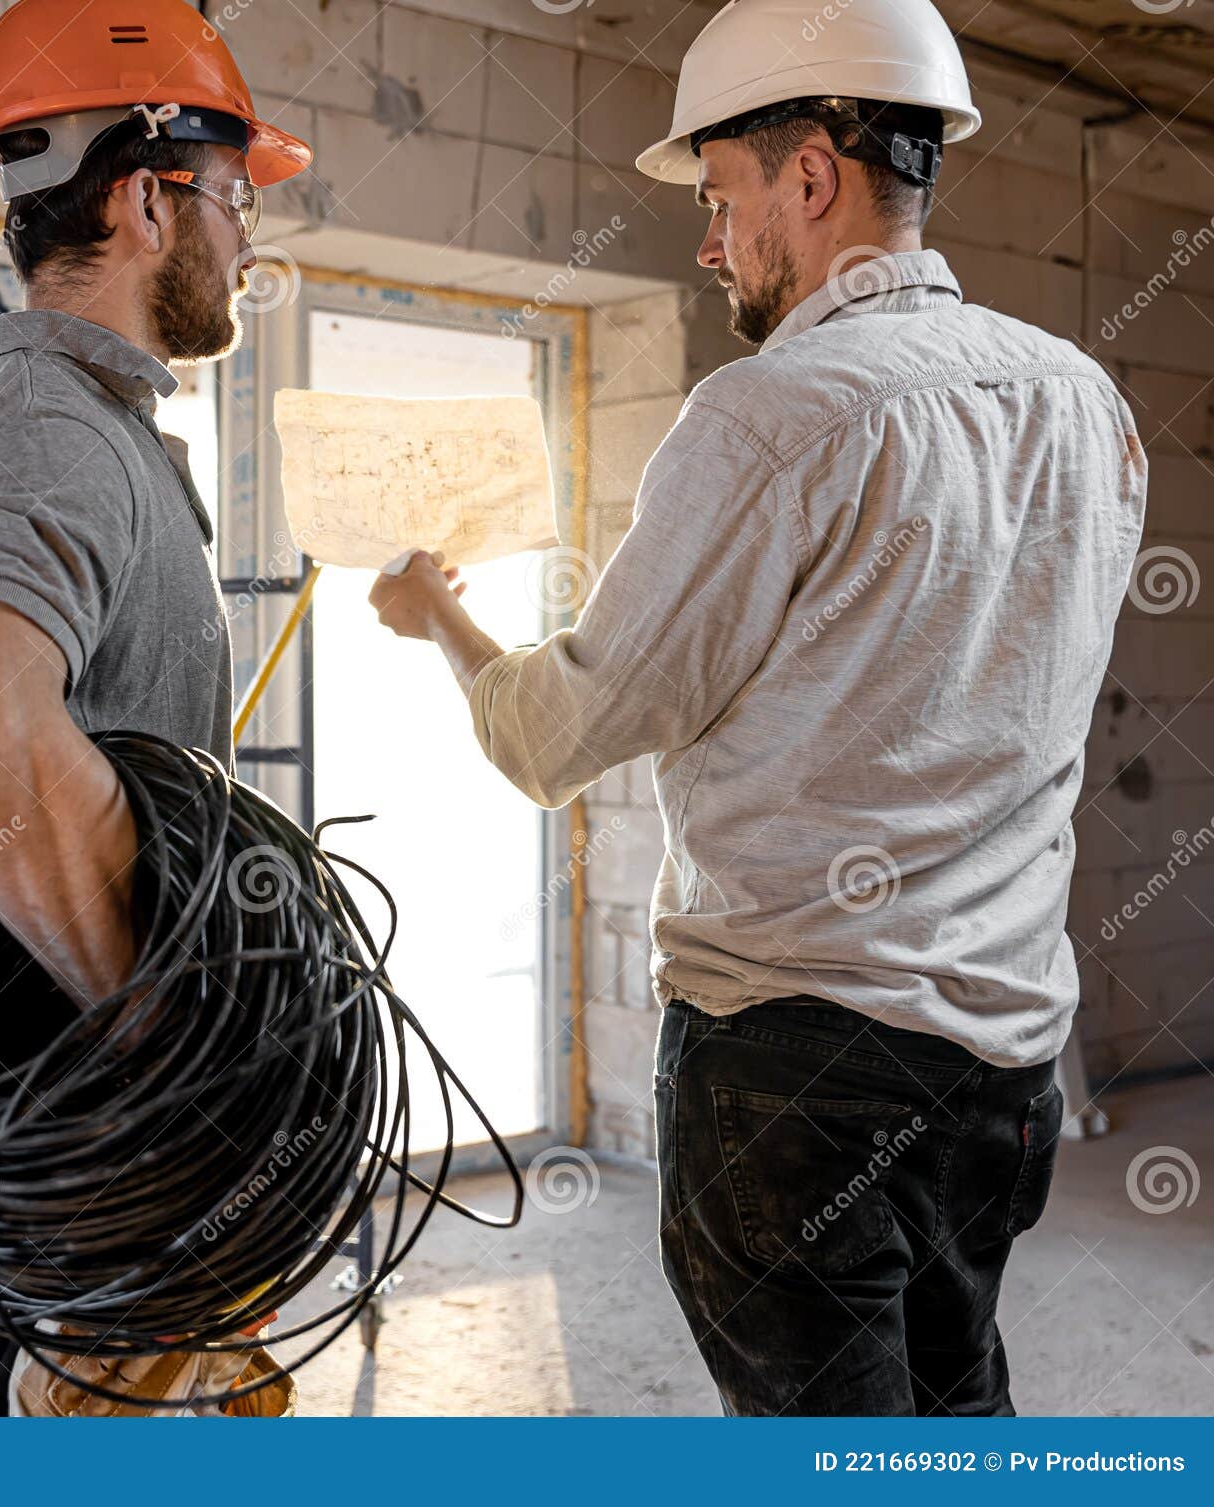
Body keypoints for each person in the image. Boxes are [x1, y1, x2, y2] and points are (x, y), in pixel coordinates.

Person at [369, 0, 1147, 1416]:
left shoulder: (770, 416)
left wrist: (440, 621)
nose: (710, 243)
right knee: (957, 1411)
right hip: (1007, 1067)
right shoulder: (1084, 402)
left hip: (798, 1071)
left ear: (813, 175)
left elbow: (556, 737)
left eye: (724, 199)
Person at [0, 0, 310, 1415]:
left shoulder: (98, 430)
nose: (251, 239)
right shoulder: (55, 436)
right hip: (63, 1134)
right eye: (239, 198)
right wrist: (157, 1031)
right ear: (148, 199)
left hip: (85, 1141)